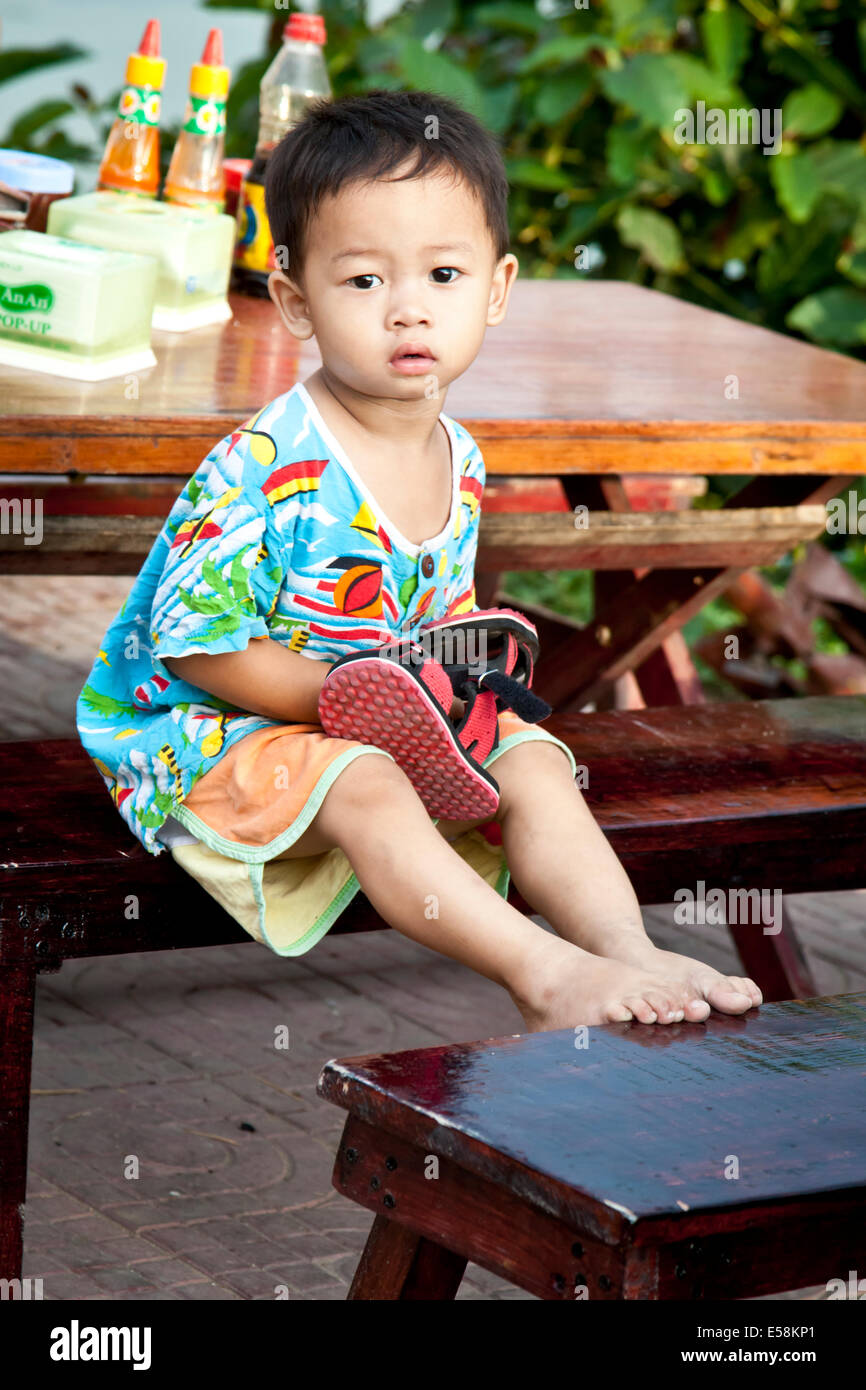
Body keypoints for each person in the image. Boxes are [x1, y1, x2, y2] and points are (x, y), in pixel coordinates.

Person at [76, 89, 762, 1031]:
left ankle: (626, 949)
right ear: (294, 300)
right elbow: (197, 652)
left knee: (530, 757)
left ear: (496, 288)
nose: (407, 311)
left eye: (443, 274)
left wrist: (443, 693)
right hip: (202, 732)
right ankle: (543, 975)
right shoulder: (268, 466)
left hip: (375, 718)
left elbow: (431, 624)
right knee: (368, 784)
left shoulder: (462, 458)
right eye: (362, 282)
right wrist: (348, 699)